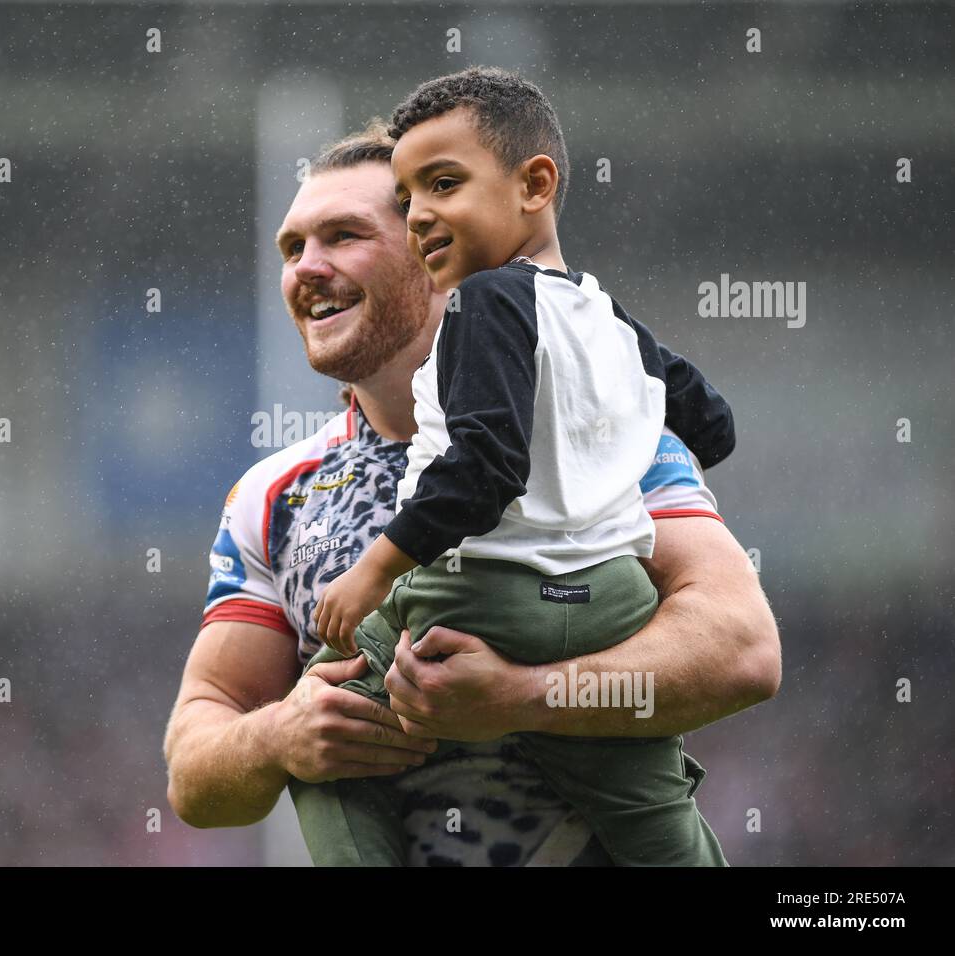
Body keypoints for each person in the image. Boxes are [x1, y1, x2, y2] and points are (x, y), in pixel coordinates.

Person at [164, 119, 780, 868]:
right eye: (293, 248)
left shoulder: (594, 428)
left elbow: (743, 652)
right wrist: (277, 735)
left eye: (343, 236)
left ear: (433, 248)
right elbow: (195, 775)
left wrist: (527, 696)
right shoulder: (273, 495)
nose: (306, 269)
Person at [294, 66, 732, 865]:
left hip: (484, 591)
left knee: (320, 732)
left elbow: (484, 468)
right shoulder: (609, 318)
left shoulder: (481, 301)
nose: (421, 213)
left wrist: (371, 573)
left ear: (535, 185)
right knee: (657, 828)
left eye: (444, 183)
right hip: (611, 599)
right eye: (407, 199)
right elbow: (713, 423)